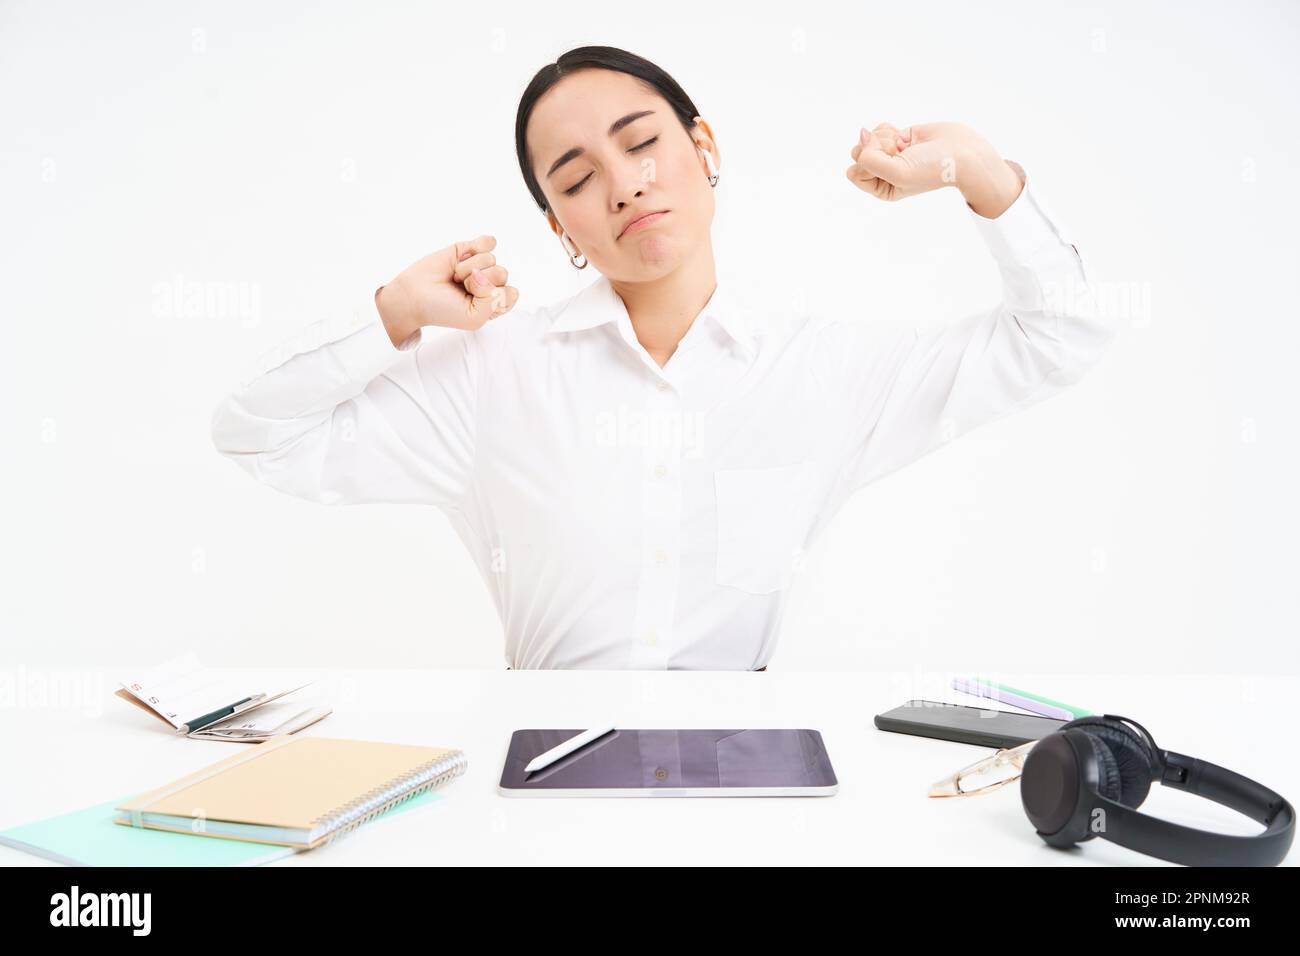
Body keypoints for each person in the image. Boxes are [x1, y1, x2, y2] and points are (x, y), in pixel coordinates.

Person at [210, 46, 1114, 671]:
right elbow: (258, 435)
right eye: (575, 179)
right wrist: (395, 312)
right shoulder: (489, 376)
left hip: (747, 779)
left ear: (703, 147)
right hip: (537, 787)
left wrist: (977, 171)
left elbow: (1060, 336)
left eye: (642, 143)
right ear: (561, 227)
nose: (625, 183)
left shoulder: (822, 372)